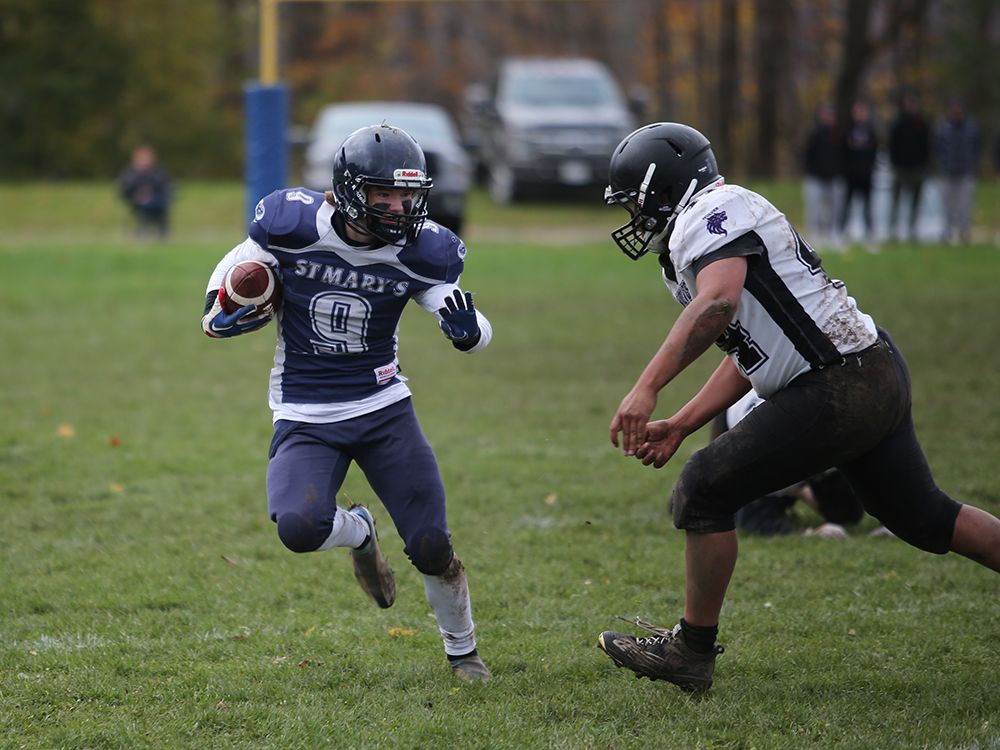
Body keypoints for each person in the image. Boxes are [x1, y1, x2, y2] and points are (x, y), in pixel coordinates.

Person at [595, 122, 1000, 693]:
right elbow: (752, 350)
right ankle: (690, 648)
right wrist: (684, 423)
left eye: (637, 203)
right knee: (925, 516)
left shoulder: (716, 209)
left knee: (706, 487)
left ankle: (691, 650)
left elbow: (717, 304)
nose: (636, 219)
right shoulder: (704, 235)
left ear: (666, 190)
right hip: (867, 366)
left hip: (839, 382)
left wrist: (647, 387)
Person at [200, 124, 494, 682]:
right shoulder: (287, 223)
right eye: (385, 194)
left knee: (431, 543)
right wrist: (220, 312)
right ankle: (358, 530)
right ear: (352, 189)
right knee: (298, 527)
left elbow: (473, 325)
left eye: (408, 195)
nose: (399, 206)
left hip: (384, 410)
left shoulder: (425, 250)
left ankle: (463, 651)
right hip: (306, 413)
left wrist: (466, 332)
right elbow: (229, 282)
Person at [712, 391, 868, 539]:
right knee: (750, 514)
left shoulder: (835, 431)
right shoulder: (764, 450)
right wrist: (809, 534)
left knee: (846, 512)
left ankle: (801, 489)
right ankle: (793, 494)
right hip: (747, 428)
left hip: (804, 430)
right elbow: (750, 521)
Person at [934, 99, 981, 244]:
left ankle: (964, 233)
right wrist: (942, 164)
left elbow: (977, 148)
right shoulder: (942, 128)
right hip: (947, 173)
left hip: (965, 172)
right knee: (948, 206)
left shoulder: (971, 128)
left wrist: (972, 164)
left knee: (965, 206)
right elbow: (936, 148)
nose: (956, 113)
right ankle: (948, 232)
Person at [887, 92, 931, 242]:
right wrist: (894, 163)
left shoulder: (921, 123)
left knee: (915, 201)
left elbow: (926, 146)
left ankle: (913, 229)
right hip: (900, 167)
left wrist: (924, 164)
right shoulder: (898, 123)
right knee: (896, 200)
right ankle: (893, 230)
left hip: (916, 167)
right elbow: (892, 144)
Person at [801, 103, 842, 249]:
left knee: (835, 209)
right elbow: (806, 155)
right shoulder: (814, 134)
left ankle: (833, 234)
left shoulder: (838, 134)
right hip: (816, 177)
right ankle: (815, 235)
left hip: (834, 177)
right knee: (814, 209)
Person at [839, 101, 878, 243]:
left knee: (868, 206)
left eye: (863, 111)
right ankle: (842, 232)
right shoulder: (848, 130)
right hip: (851, 175)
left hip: (866, 175)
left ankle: (870, 233)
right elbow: (843, 152)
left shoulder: (870, 131)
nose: (860, 115)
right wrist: (847, 170)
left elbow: (874, 152)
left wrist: (869, 169)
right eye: (858, 111)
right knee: (847, 204)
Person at [119, 144, 172, 239]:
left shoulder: (158, 172)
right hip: (138, 203)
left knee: (162, 207)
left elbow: (165, 187)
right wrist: (136, 194)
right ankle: (143, 231)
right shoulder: (131, 174)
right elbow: (124, 190)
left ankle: (162, 235)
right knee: (144, 207)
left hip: (157, 201)